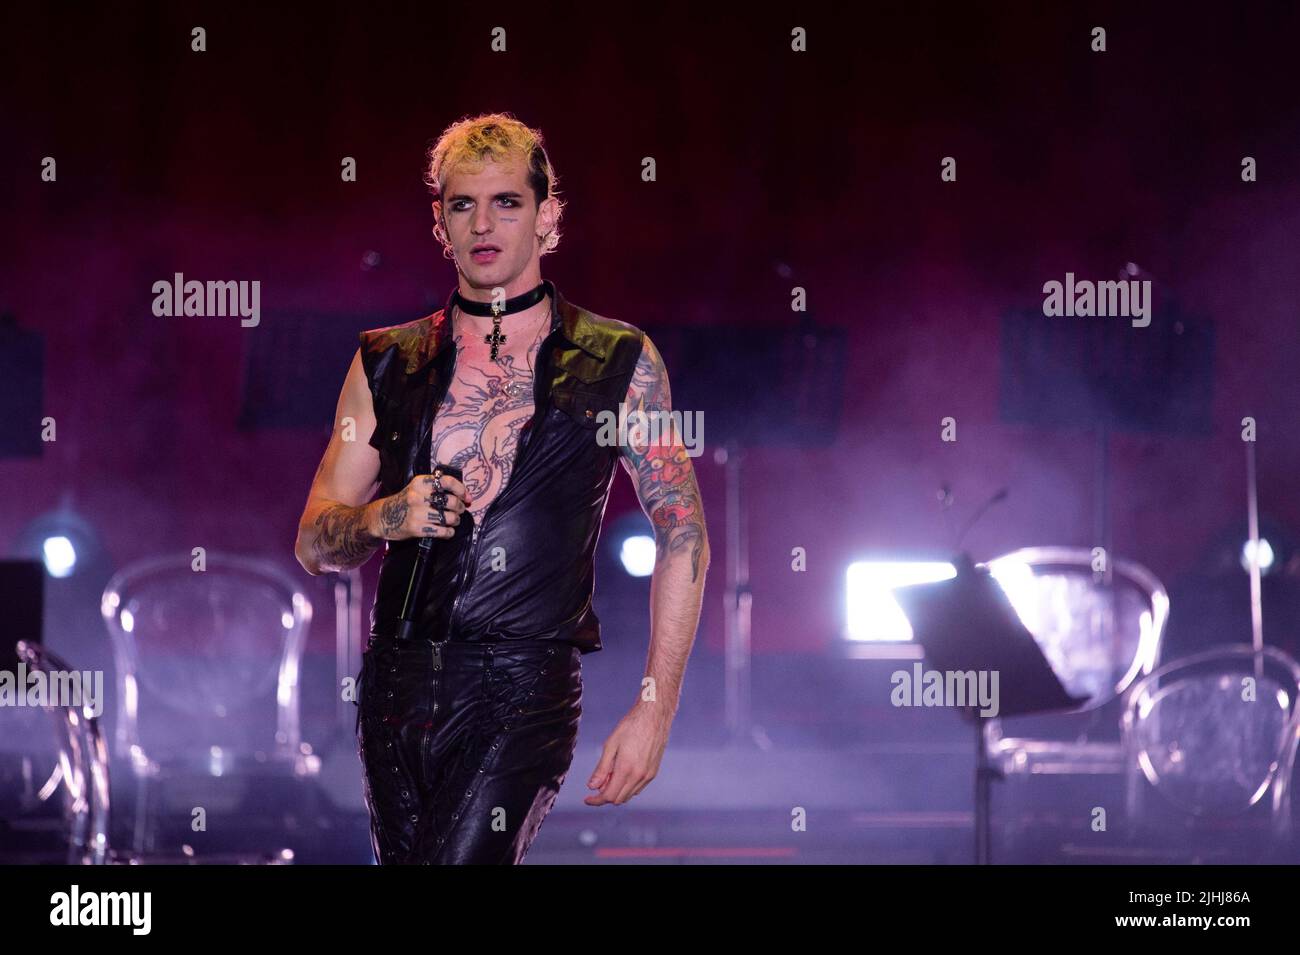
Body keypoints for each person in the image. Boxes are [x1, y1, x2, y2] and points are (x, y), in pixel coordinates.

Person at [293, 112, 710, 863]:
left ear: (548, 214)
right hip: (395, 686)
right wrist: (386, 514)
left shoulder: (619, 359)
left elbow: (683, 530)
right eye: (463, 204)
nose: (483, 223)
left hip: (521, 687)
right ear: (439, 222)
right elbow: (314, 539)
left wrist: (656, 706)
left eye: (507, 202)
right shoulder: (385, 361)